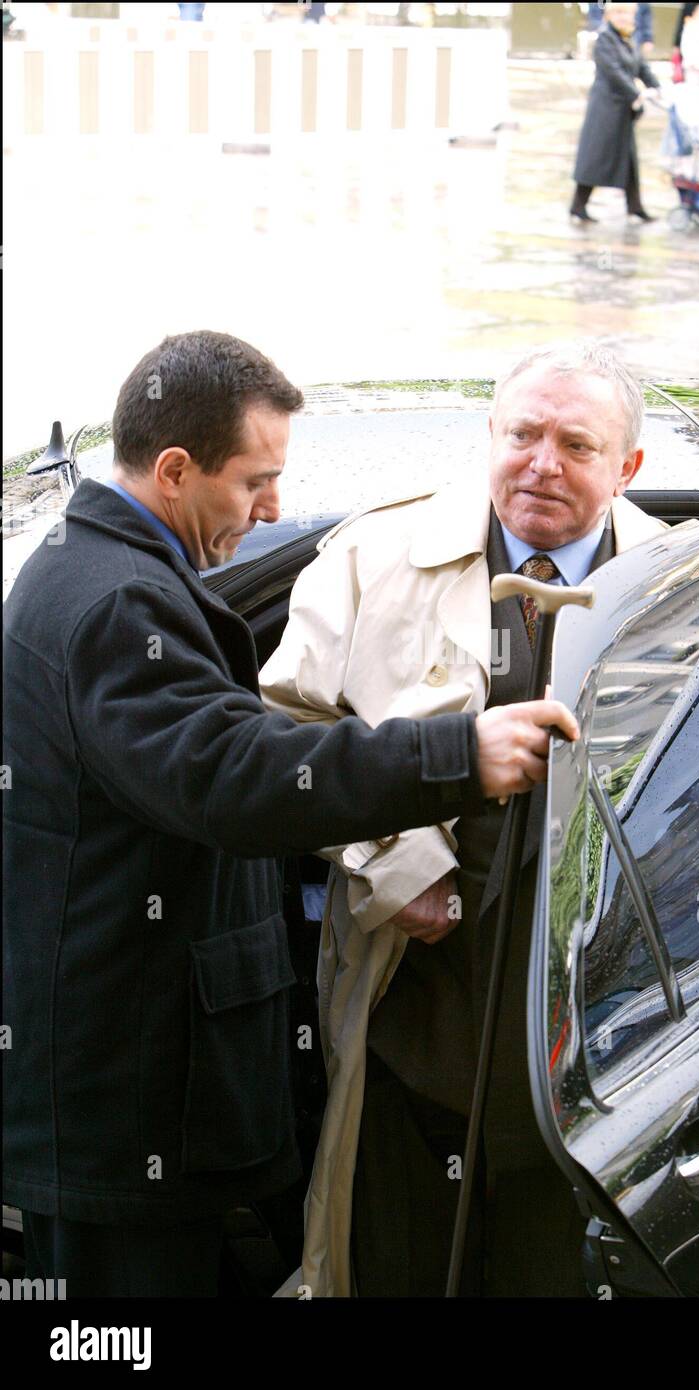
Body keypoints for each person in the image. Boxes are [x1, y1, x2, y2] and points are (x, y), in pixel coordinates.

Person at [2, 330, 576, 1299]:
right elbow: (237, 771)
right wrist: (456, 754)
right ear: (176, 469)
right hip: (127, 1116)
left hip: (132, 1093)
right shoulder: (118, 608)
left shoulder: (96, 564)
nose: (271, 509)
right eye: (254, 482)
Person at [260, 339, 678, 1297]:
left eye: (577, 445)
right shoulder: (375, 556)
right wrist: (400, 864)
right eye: (522, 433)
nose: (541, 463)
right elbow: (285, 730)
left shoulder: (674, 582)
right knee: (398, 1261)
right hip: (418, 1004)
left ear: (628, 468)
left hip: (595, 1039)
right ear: (489, 434)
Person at [570, 2, 661, 223]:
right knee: (596, 156)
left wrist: (656, 87)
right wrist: (636, 93)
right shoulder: (604, 39)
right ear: (609, 15)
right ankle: (578, 205)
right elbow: (613, 72)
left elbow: (641, 67)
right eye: (618, 13)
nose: (623, 17)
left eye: (627, 13)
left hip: (624, 109)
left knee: (628, 158)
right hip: (606, 108)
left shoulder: (630, 38)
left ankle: (635, 206)